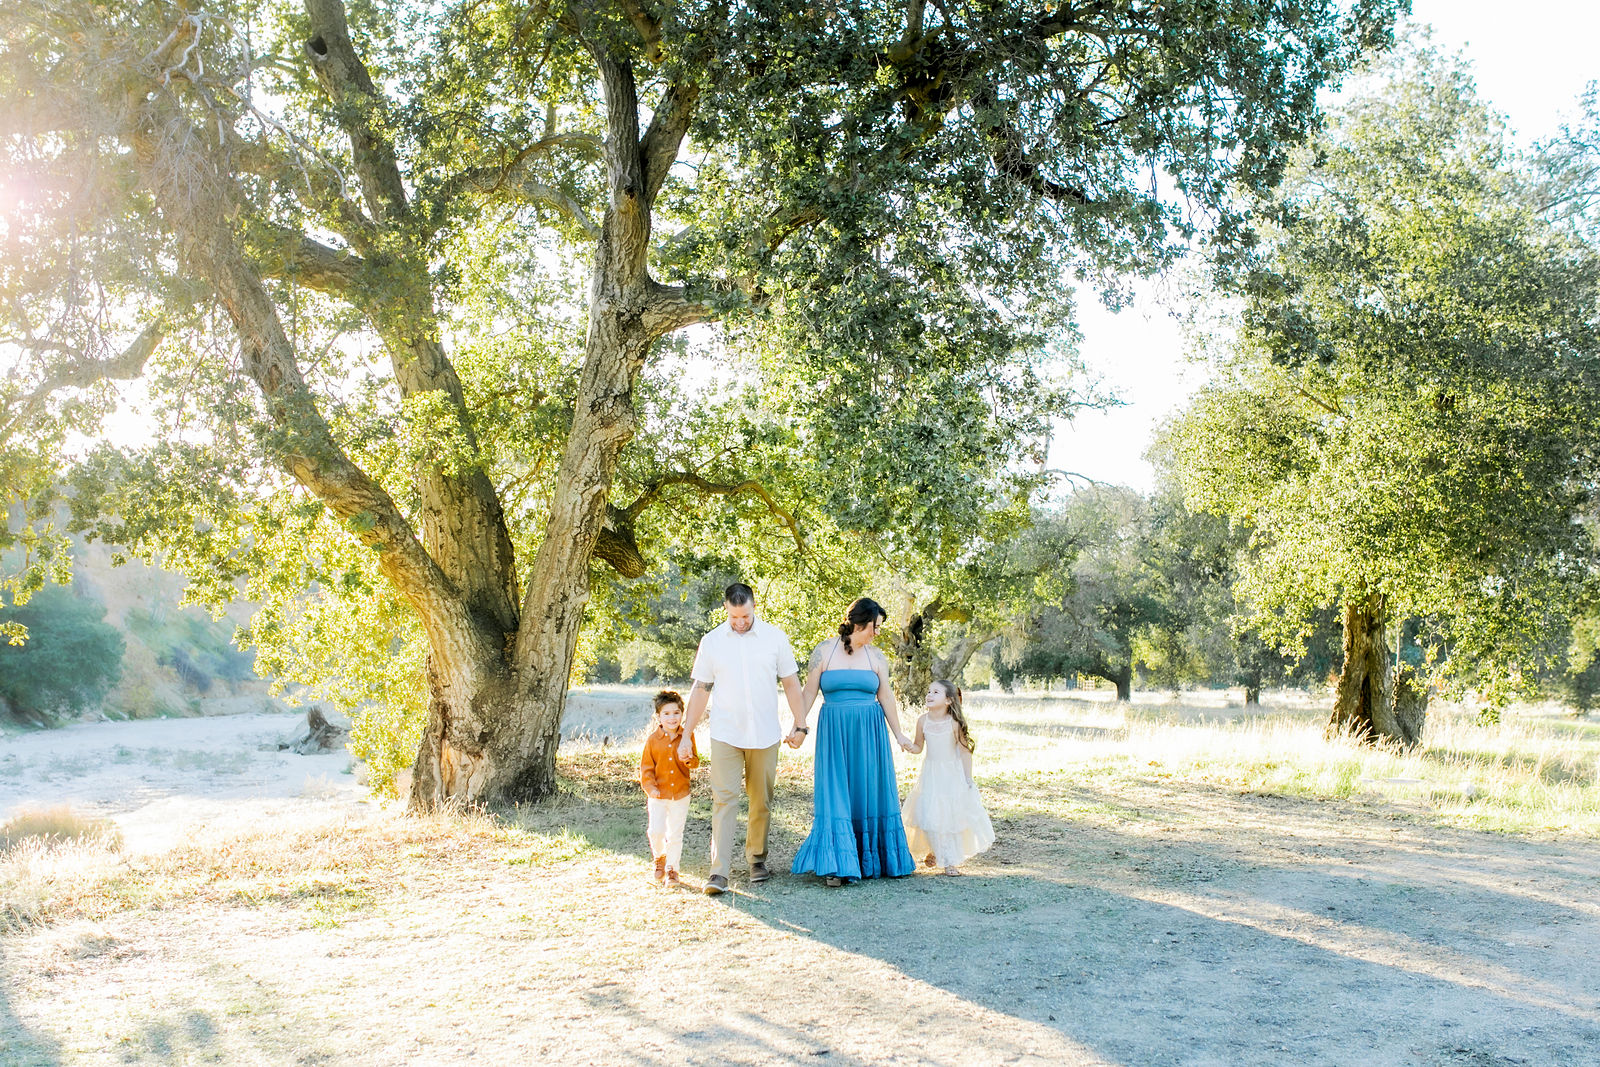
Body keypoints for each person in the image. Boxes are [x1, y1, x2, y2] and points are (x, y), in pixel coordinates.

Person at [679, 582, 805, 895]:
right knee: (724, 800)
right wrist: (686, 733)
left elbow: (791, 683)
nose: (740, 622)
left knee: (761, 800)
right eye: (734, 616)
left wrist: (800, 724)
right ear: (726, 609)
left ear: (753, 607)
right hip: (726, 733)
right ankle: (718, 871)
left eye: (745, 615)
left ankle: (757, 859)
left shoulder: (775, 638)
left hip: (764, 734)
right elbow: (701, 689)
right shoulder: (711, 642)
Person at [790, 597, 917, 886]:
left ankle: (871, 859)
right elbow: (808, 693)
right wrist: (799, 726)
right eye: (876, 627)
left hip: (870, 732)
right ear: (861, 623)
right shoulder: (824, 651)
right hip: (834, 730)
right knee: (835, 791)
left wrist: (899, 734)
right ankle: (836, 864)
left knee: (867, 790)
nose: (877, 633)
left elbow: (886, 696)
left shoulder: (876, 657)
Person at [902, 679, 994, 876]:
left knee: (949, 817)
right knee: (929, 813)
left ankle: (949, 861)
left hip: (951, 775)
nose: (929, 695)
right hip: (931, 774)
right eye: (928, 691)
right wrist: (910, 746)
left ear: (949, 701)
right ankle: (936, 850)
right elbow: (919, 747)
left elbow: (964, 752)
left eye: (936, 692)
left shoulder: (954, 723)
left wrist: (967, 779)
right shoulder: (922, 721)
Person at [640, 689, 699, 889]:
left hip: (681, 795)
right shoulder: (652, 741)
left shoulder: (687, 737)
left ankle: (672, 870)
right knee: (656, 831)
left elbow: (695, 762)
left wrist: (689, 759)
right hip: (658, 795)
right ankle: (660, 857)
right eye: (666, 713)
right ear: (658, 716)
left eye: (676, 713)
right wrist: (650, 788)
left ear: (682, 715)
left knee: (675, 833)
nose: (672, 718)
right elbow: (646, 768)